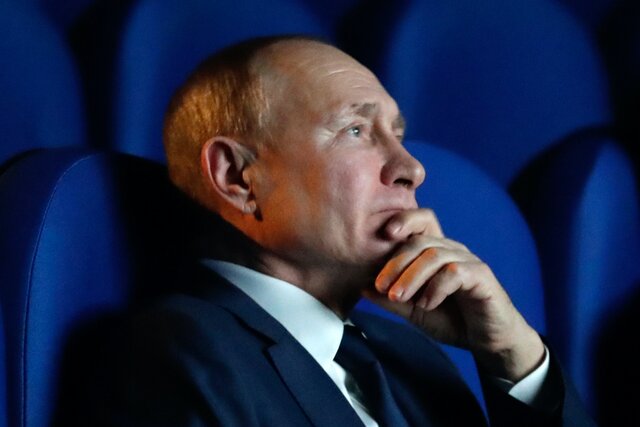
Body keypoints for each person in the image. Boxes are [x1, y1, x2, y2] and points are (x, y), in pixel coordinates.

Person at [115, 35, 596, 426]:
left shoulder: (409, 352)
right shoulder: (178, 354)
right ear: (238, 178)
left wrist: (513, 354)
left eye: (397, 135)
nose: (412, 169)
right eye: (355, 131)